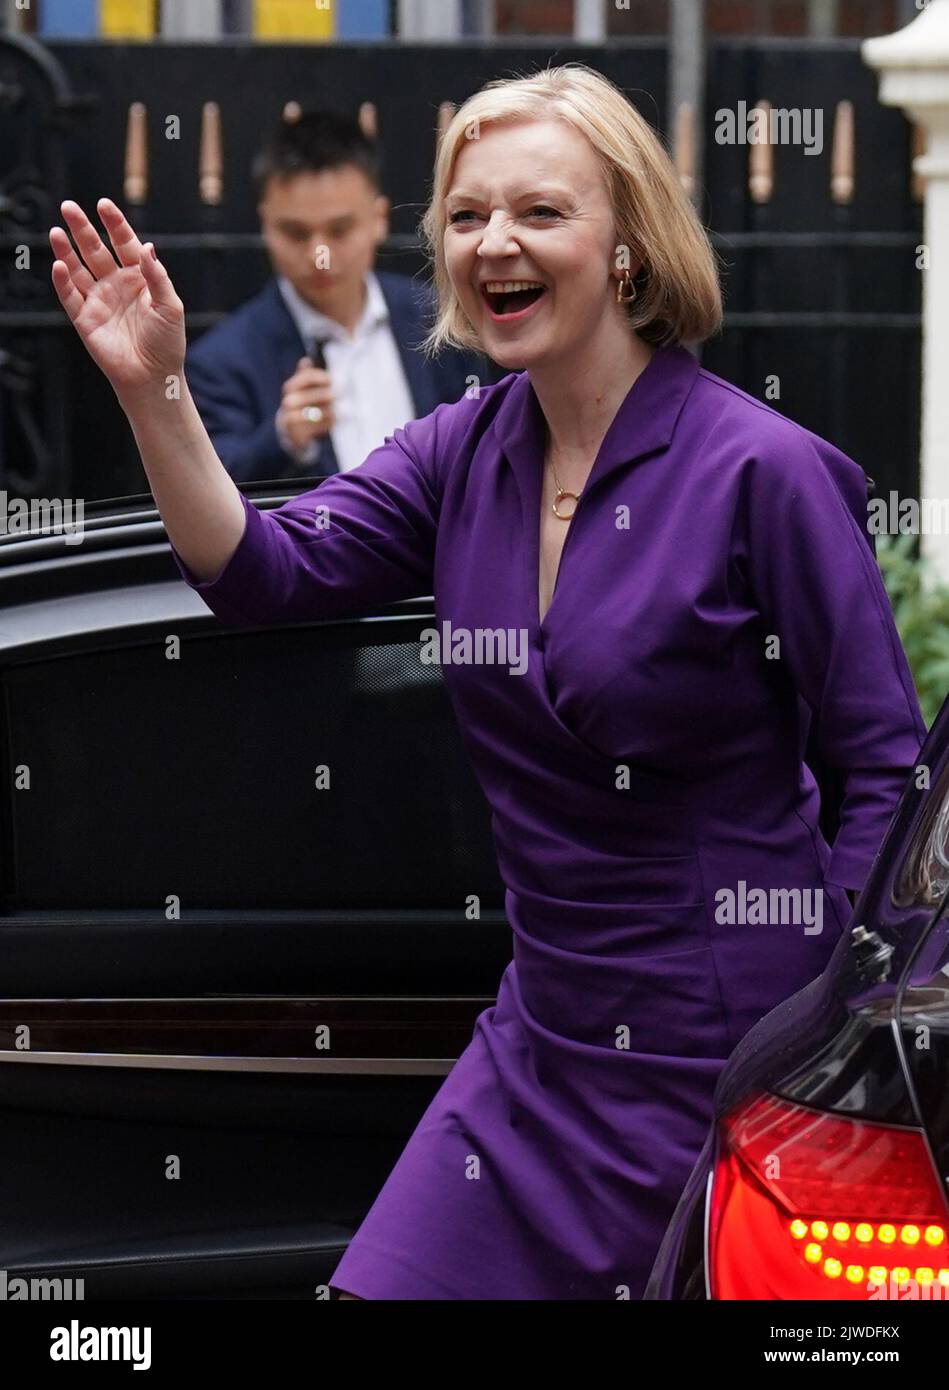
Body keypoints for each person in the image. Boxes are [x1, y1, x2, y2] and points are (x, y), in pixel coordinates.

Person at [50, 63, 927, 1301]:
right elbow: (263, 574)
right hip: (542, 1043)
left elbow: (884, 767)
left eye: (538, 212)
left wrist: (831, 1038)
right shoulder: (464, 449)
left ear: (627, 244)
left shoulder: (762, 472)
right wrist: (156, 389)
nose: (492, 242)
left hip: (732, 1048)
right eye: (466, 217)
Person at [185, 109, 486, 482]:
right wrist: (282, 437)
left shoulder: (441, 318)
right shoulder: (220, 362)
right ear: (266, 225)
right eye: (296, 233)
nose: (319, 257)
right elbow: (202, 497)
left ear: (379, 219)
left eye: (340, 230)